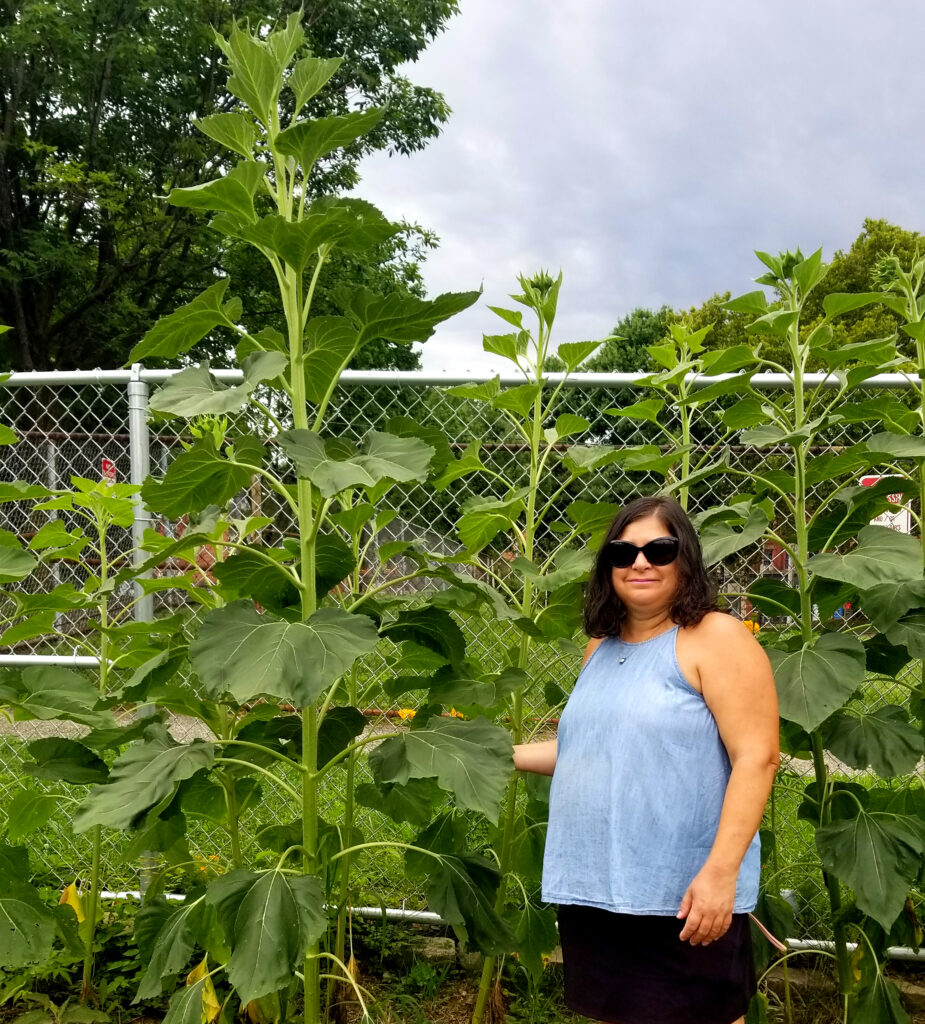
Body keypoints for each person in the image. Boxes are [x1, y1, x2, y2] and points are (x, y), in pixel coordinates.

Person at [514, 495, 779, 1024]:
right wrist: (495, 753)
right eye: (623, 551)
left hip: (682, 894)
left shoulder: (715, 637)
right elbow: (588, 751)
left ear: (686, 559)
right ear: (607, 564)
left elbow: (758, 757)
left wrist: (720, 874)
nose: (640, 562)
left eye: (659, 549)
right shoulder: (600, 647)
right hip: (600, 885)